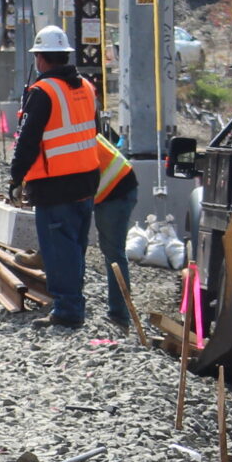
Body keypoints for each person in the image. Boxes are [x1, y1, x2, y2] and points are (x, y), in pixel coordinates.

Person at [7, 24, 103, 327]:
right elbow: (95, 130)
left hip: (55, 184)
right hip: (86, 179)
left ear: (41, 59)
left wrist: (15, 178)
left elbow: (28, 141)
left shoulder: (43, 92)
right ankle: (73, 304)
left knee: (59, 250)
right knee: (74, 246)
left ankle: (68, 311)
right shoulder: (87, 87)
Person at [90, 133, 139, 328]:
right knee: (112, 252)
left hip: (117, 189)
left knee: (113, 252)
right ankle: (118, 314)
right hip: (115, 183)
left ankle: (119, 316)